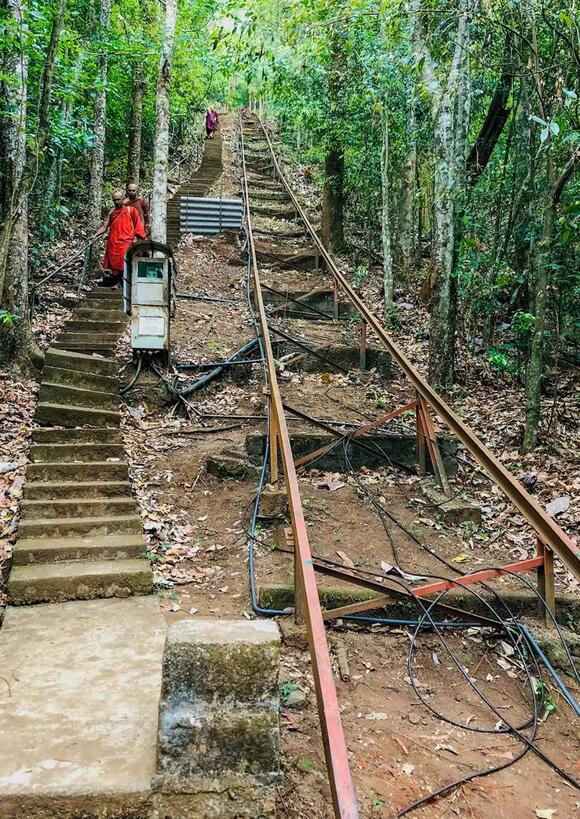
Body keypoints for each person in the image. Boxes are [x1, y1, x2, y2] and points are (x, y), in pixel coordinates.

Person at [93, 190, 146, 286]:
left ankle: (124, 282)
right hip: (113, 242)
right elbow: (105, 227)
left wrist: (136, 237)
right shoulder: (112, 212)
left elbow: (138, 224)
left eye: (119, 199)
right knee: (115, 264)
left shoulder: (131, 210)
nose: (117, 202)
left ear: (123, 198)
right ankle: (118, 282)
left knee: (124, 260)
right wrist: (95, 235)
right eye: (115, 200)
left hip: (126, 241)